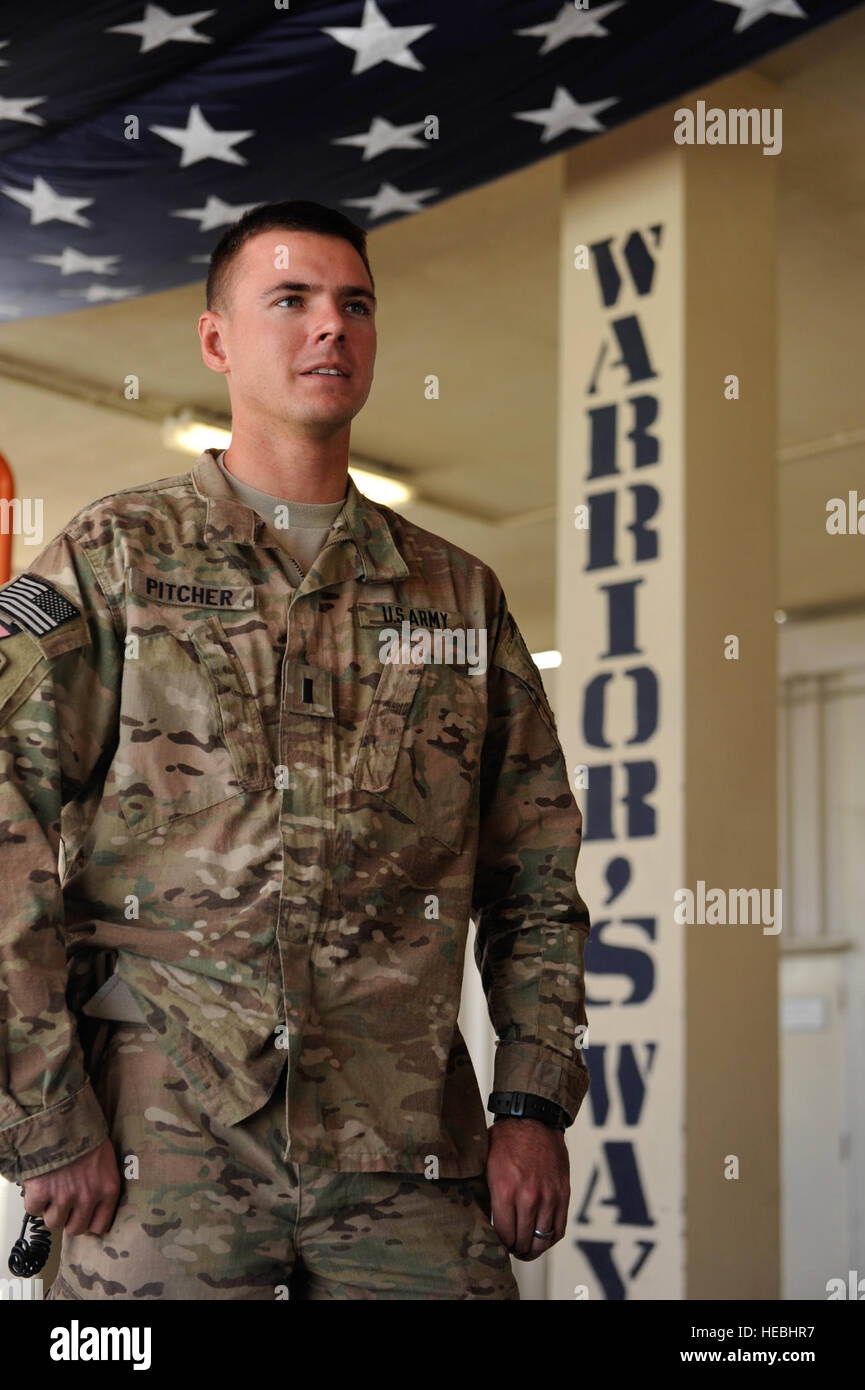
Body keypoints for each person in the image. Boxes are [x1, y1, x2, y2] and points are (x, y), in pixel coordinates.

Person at [0, 200, 591, 1300]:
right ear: (217, 338)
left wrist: (531, 1101)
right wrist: (41, 1107)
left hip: (404, 1142)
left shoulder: (455, 593)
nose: (331, 327)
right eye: (292, 300)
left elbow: (536, 869)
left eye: (354, 304)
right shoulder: (118, 555)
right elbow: (4, 816)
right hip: (158, 1140)